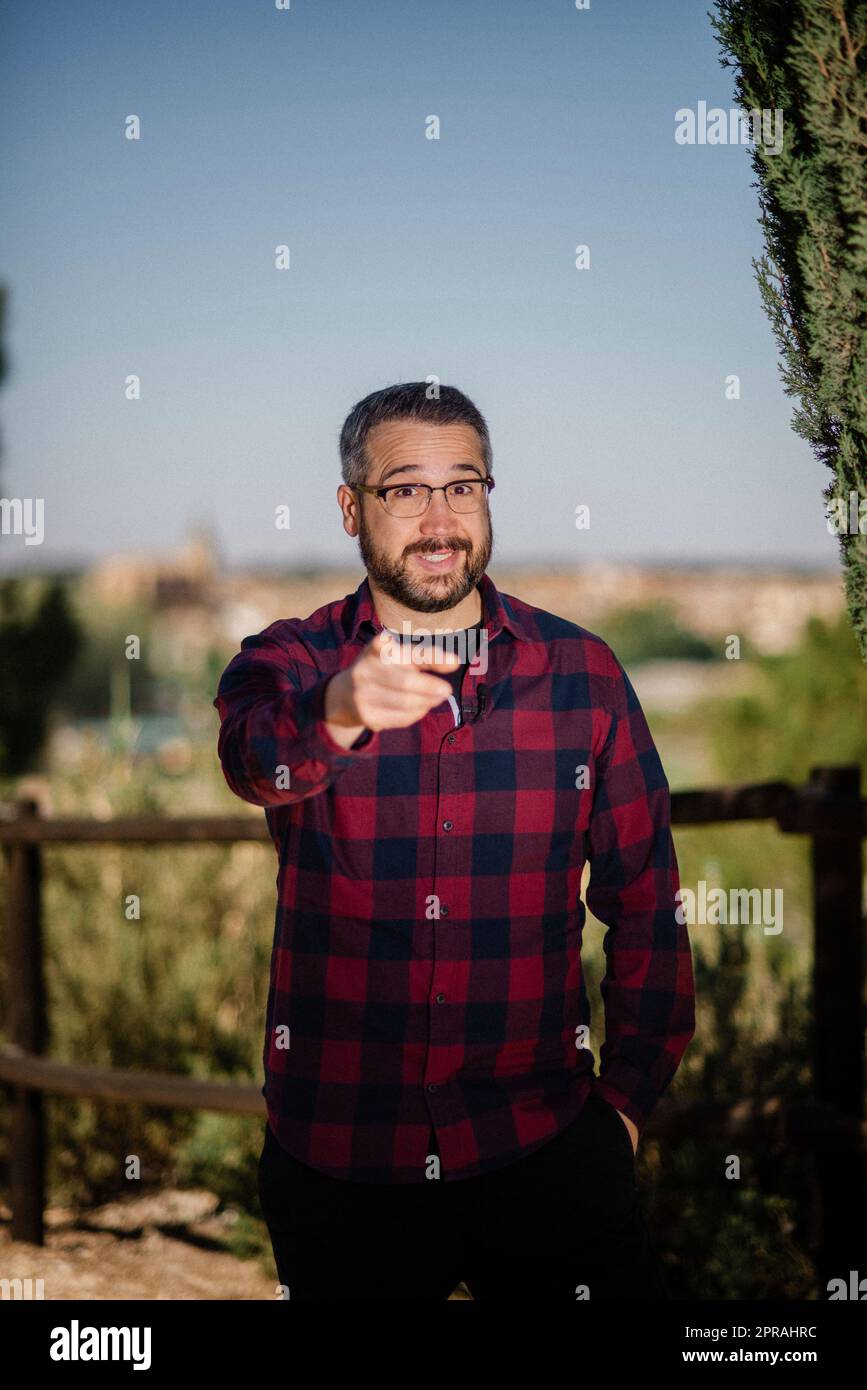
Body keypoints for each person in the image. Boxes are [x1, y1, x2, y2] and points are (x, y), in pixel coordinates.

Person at [213, 382, 696, 1300]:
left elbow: (646, 903)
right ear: (352, 508)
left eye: (463, 486)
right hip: (341, 1158)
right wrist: (341, 709)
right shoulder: (288, 662)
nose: (439, 519)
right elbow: (253, 764)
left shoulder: (583, 674)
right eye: (405, 490)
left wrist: (625, 1108)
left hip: (547, 1149)